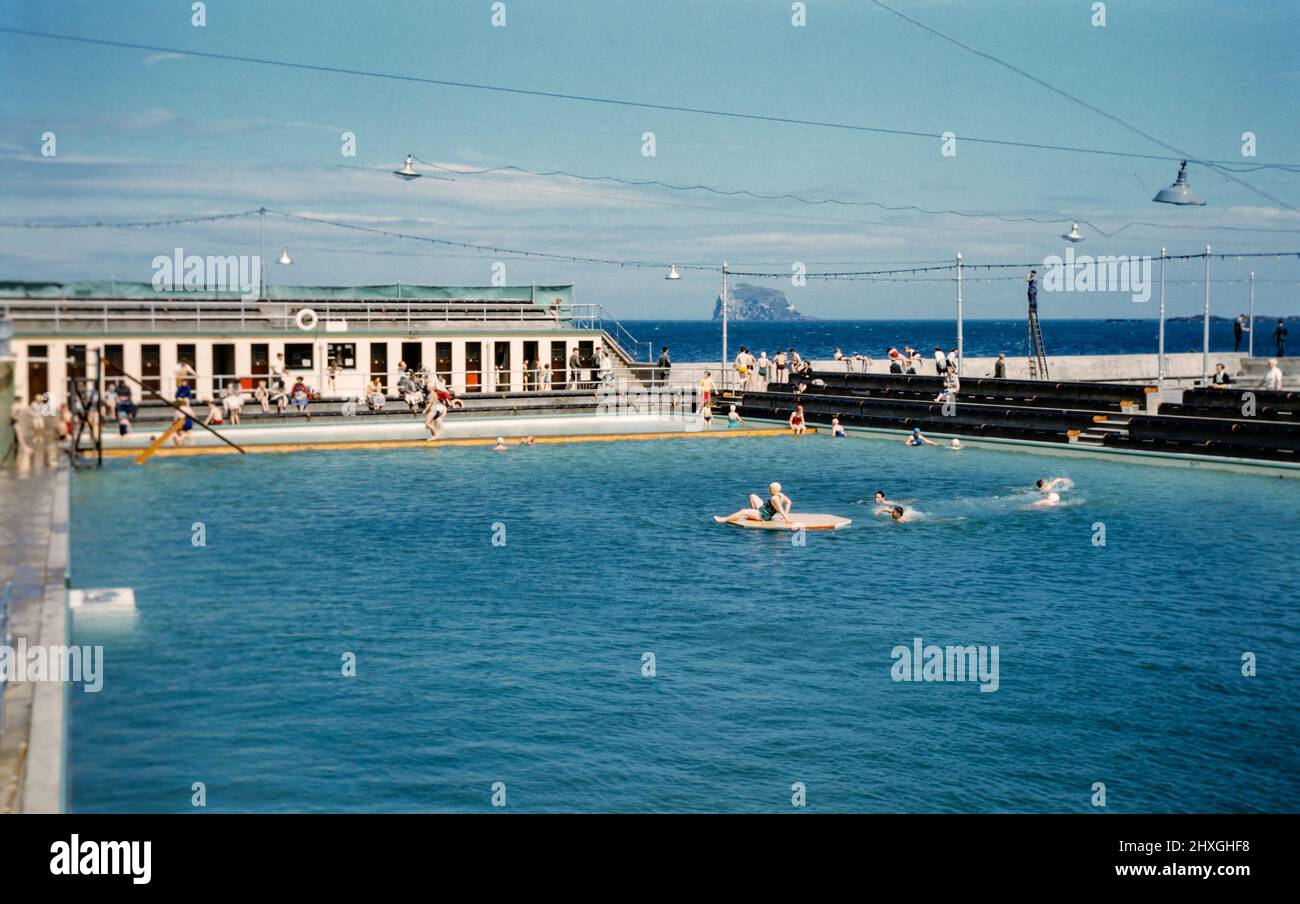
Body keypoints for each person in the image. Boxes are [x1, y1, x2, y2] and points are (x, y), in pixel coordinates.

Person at [717, 482, 792, 525]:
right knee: (752, 496)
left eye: (769, 489)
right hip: (764, 509)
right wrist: (786, 513)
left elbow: (781, 510)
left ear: (772, 489)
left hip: (763, 515)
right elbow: (789, 502)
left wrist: (786, 519)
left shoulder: (774, 498)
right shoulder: (781, 495)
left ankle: (724, 519)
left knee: (743, 511)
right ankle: (752, 515)